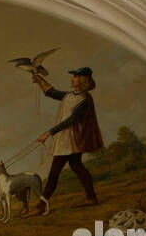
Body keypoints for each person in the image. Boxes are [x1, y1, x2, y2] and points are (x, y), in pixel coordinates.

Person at [33, 67, 104, 207]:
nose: (72, 79)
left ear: (82, 80)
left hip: (70, 140)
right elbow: (51, 92)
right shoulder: (70, 95)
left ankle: (41, 206)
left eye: (75, 77)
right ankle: (91, 198)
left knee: (54, 172)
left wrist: (48, 133)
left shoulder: (84, 99)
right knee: (77, 166)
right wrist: (40, 80)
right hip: (67, 139)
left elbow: (72, 120)